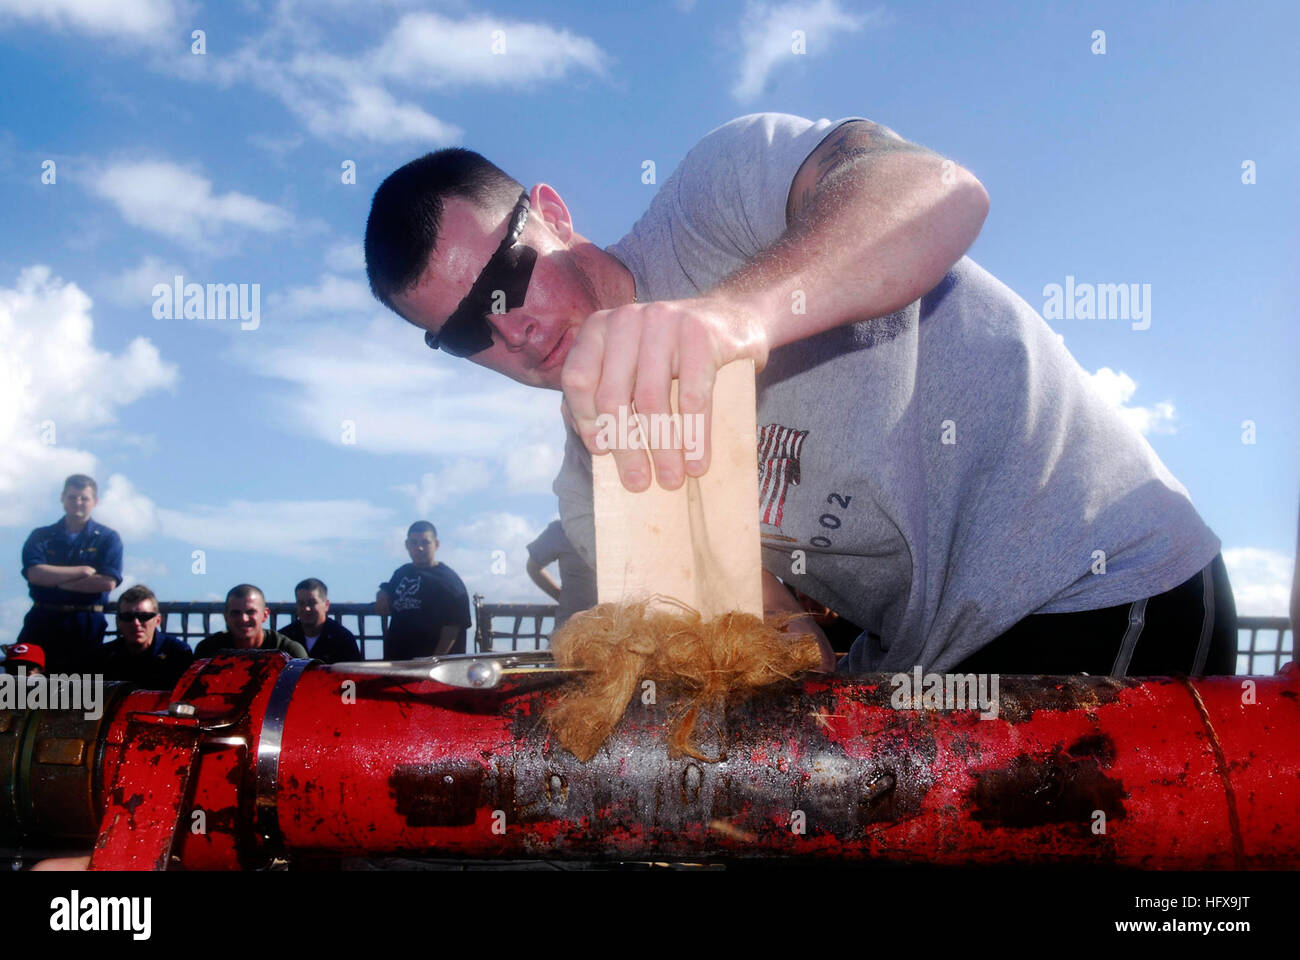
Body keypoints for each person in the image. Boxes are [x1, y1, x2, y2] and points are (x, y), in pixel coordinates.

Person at [364, 113, 1236, 677]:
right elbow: (783, 643)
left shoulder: (722, 191)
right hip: (939, 663)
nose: (509, 328)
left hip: (1105, 581)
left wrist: (733, 318)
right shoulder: (594, 487)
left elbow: (938, 191)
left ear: (551, 210)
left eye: (508, 277)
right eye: (466, 331)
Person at [17, 475, 123, 674]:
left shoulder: (108, 538)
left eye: (84, 498)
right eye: (72, 497)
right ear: (62, 498)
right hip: (43, 619)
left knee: (78, 690)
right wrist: (81, 572)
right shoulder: (41, 536)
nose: (78, 503)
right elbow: (35, 574)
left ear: (95, 502)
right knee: (24, 684)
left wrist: (55, 581)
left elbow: (107, 582)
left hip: (85, 623)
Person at [375, 522, 471, 658]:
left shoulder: (449, 581)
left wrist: (435, 660)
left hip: (430, 663)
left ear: (436, 544)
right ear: (407, 545)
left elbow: (452, 629)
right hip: (398, 660)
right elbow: (388, 589)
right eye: (414, 542)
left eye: (425, 543)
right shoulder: (402, 573)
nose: (419, 548)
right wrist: (382, 594)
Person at [99, 584, 194, 689]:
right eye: (127, 617)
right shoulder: (103, 658)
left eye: (144, 616)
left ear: (157, 620)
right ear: (118, 622)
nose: (136, 623)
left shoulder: (177, 654)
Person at [194, 585, 308, 659]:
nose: (243, 618)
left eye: (250, 612)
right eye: (236, 613)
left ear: (265, 615)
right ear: (225, 616)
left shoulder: (289, 652)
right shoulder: (208, 651)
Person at [526, 519, 597, 630]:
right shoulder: (560, 529)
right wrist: (561, 597)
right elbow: (533, 567)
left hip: (620, 632)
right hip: (569, 632)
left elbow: (533, 567)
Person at [280, 578, 363, 663]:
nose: (306, 608)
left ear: (326, 605)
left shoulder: (342, 638)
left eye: (312, 603)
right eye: (301, 603)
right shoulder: (285, 638)